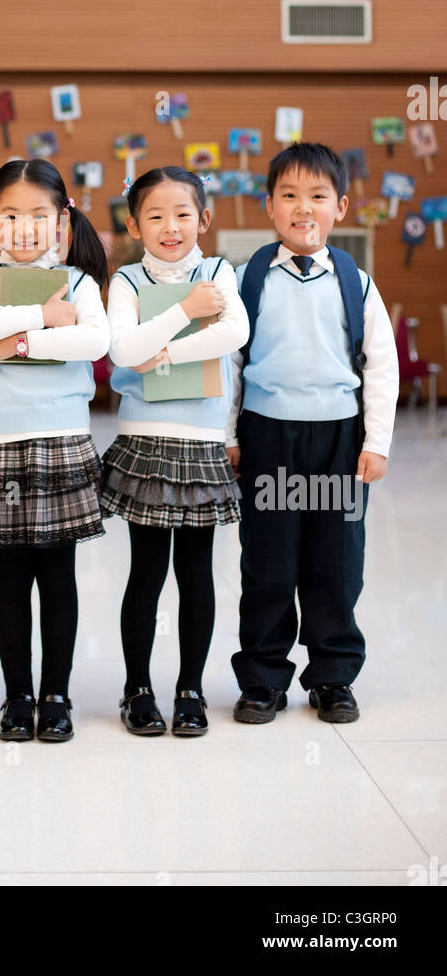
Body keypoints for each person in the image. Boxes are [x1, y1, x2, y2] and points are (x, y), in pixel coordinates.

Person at [227, 142, 399, 725]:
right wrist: (230, 434)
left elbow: (381, 364)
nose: (305, 208)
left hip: (338, 442)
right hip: (269, 437)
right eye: (290, 196)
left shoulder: (356, 282)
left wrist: (375, 442)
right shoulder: (248, 280)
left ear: (341, 207)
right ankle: (263, 678)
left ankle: (332, 676)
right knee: (269, 562)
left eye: (318, 197)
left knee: (337, 562)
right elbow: (229, 364)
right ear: (269, 206)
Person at [0, 159, 109, 743]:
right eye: (10, 216)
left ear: (62, 221)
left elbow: (94, 339)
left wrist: (10, 341)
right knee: (10, 579)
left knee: (59, 577)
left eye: (39, 215)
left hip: (62, 441)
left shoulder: (80, 282)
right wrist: (43, 319)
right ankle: (18, 696)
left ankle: (56, 694)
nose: (24, 227)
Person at [101, 166, 249, 738]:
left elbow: (234, 334)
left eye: (182, 214)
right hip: (146, 439)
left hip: (205, 441)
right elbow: (122, 348)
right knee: (146, 572)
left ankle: (191, 687)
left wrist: (160, 355)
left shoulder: (218, 271)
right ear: (135, 225)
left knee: (197, 573)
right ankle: (137, 687)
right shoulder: (127, 282)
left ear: (204, 220)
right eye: (155, 216)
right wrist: (187, 312)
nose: (170, 226)